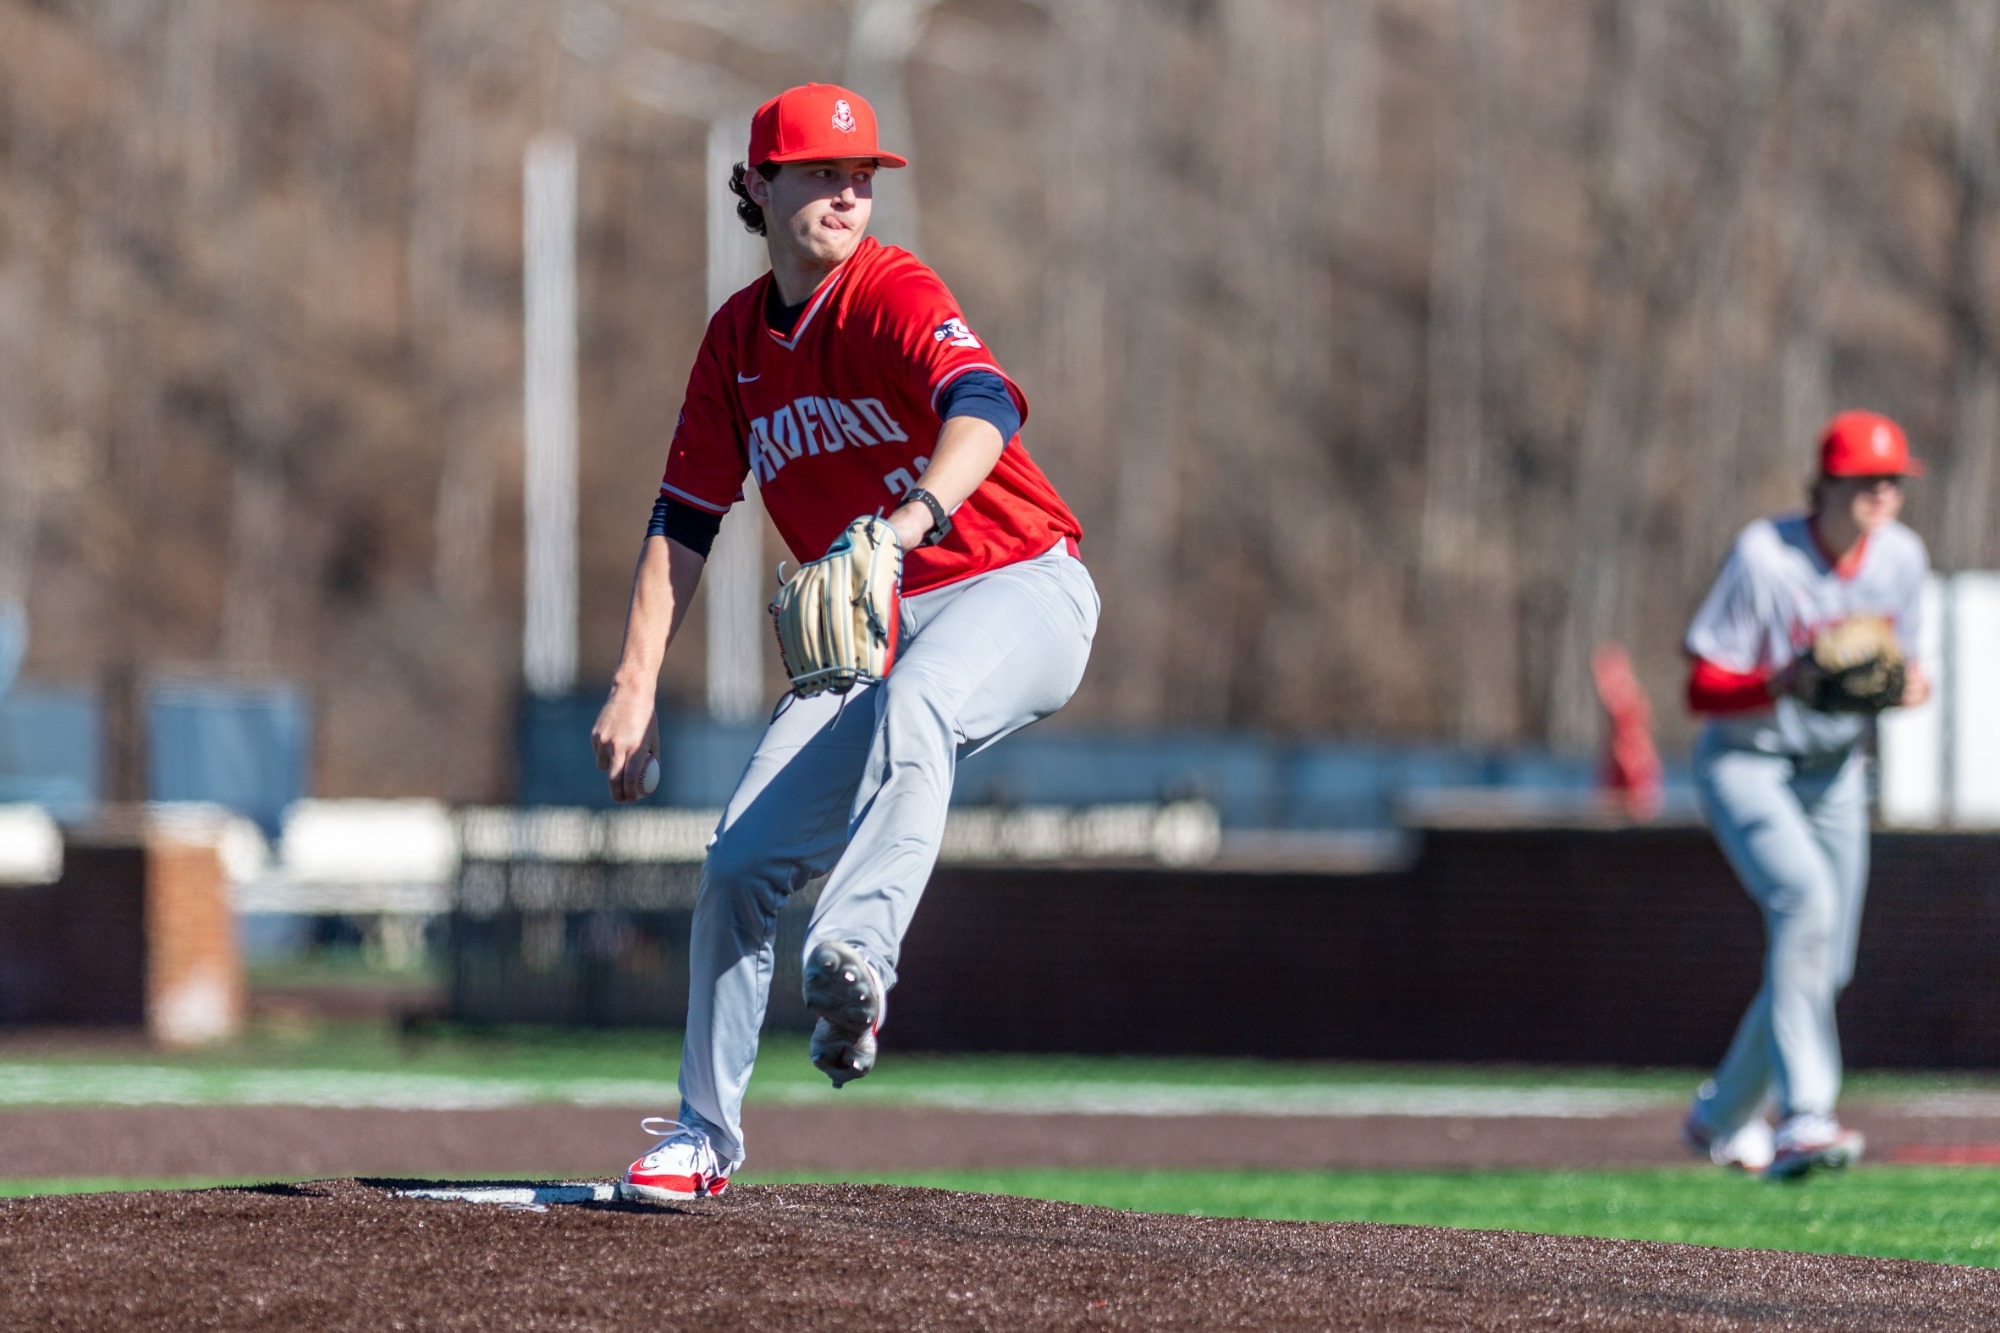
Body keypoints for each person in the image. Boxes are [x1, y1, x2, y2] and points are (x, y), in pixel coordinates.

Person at [590, 83, 1097, 1201]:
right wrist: (635, 684)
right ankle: (700, 1137)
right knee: (735, 866)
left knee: (921, 705)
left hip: (1016, 586)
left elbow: (984, 406)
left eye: (861, 173)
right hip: (871, 634)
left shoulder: (889, 288)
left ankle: (854, 956)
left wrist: (907, 521)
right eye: (820, 172)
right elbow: (683, 516)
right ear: (757, 186)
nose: (847, 191)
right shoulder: (734, 342)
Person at [1679, 409, 1930, 1179]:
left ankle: (1721, 1115)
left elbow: (1911, 675)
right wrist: (1780, 679)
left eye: (1893, 479)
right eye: (1866, 478)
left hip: (1832, 772)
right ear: (1825, 482)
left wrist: (1904, 687)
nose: (1882, 492)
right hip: (1746, 762)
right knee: (1804, 903)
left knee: (1830, 962)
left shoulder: (1902, 559)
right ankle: (1806, 1115)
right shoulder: (1765, 555)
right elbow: (1700, 684)